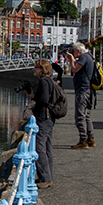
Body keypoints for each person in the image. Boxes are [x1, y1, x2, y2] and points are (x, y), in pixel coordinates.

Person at [27, 59, 58, 187]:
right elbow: (42, 98)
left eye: (36, 67)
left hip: (44, 118)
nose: (33, 69)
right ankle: (47, 177)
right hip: (49, 117)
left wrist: (32, 111)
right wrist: (31, 95)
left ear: (42, 69)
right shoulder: (49, 81)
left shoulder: (44, 81)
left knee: (39, 146)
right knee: (47, 147)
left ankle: (45, 178)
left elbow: (44, 99)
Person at [67, 43, 96, 149]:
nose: (73, 53)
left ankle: (83, 140)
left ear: (78, 50)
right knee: (86, 115)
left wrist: (71, 59)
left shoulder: (83, 57)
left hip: (82, 89)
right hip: (88, 89)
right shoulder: (89, 56)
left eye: (74, 51)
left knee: (80, 116)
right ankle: (90, 138)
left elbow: (75, 69)